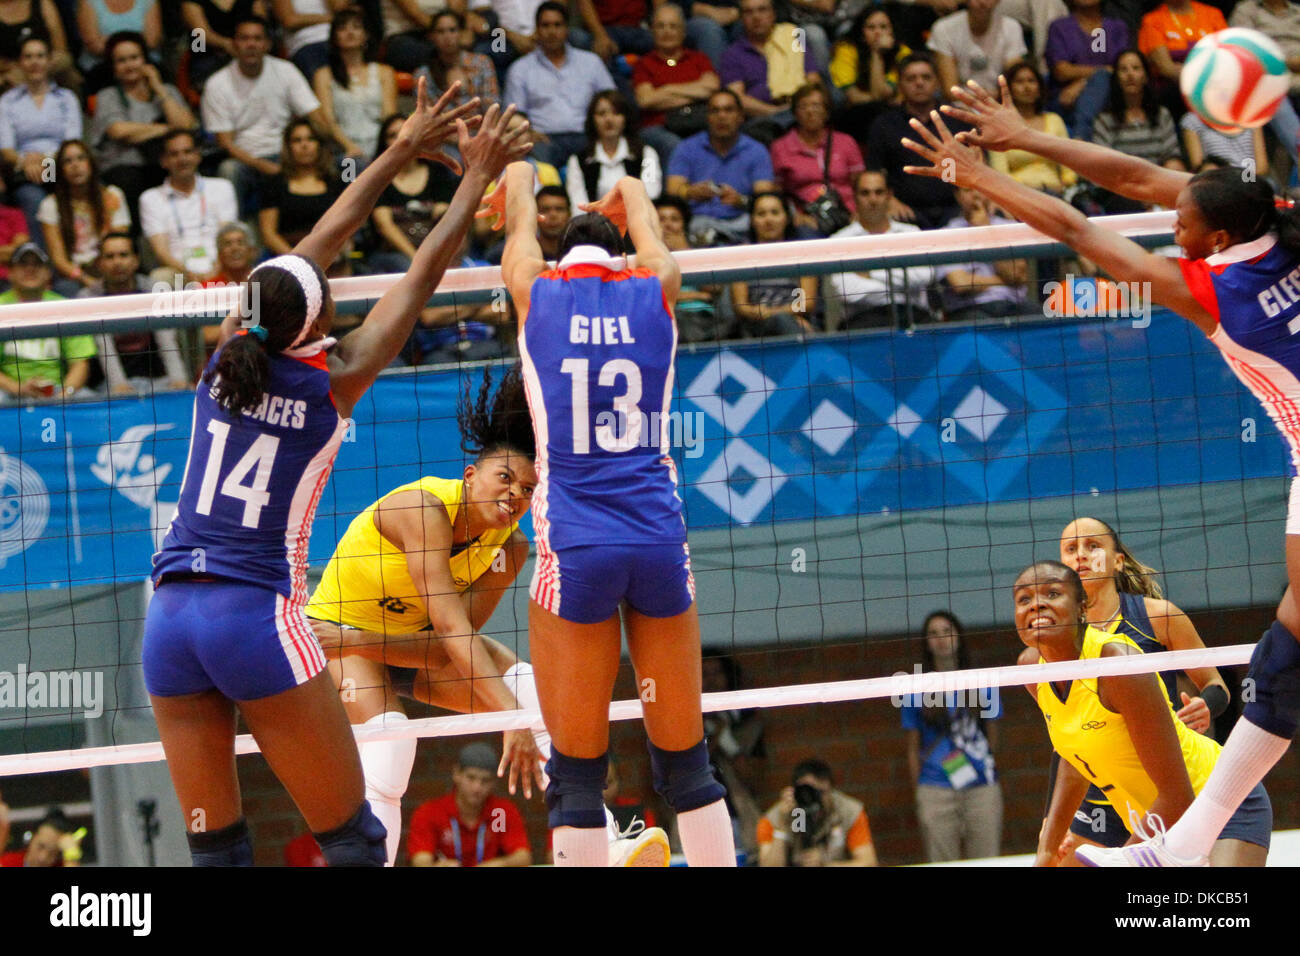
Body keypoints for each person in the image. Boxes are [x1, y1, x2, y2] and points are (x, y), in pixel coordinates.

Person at [140, 82, 528, 867]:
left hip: (169, 619)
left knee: (216, 848)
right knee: (353, 837)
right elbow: (419, 273)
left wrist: (399, 147)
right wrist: (470, 175)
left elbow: (313, 245)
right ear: (316, 323)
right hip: (253, 619)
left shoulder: (224, 352)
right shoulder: (331, 381)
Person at [916, 76, 1300, 867]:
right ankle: (1183, 841)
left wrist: (978, 175)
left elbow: (1083, 234)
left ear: (1217, 239)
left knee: (1288, 650)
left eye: (1183, 223)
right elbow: (1132, 178)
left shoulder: (1221, 291)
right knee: (1288, 644)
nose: (1172, 223)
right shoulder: (1275, 218)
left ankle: (1182, 842)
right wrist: (1024, 137)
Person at [481, 163, 738, 867]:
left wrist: (519, 177)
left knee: (577, 774)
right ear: (620, 253)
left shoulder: (537, 291)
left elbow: (517, 233)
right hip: (658, 536)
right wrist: (627, 189)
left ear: (563, 257)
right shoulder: (656, 286)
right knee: (687, 766)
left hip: (579, 545)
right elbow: (650, 229)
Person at [1008, 562, 1270, 866]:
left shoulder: (1118, 663)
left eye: (1052, 593)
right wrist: (1047, 849)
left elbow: (1177, 794)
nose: (1036, 604)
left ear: (1082, 607)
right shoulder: (1031, 669)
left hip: (1220, 799)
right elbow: (1075, 755)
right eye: (1024, 599)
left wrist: (1126, 858)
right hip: (1159, 821)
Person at [1047, 516, 1230, 864]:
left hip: (1164, 787)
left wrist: (1206, 705)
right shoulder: (1058, 639)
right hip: (1101, 796)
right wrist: (1050, 821)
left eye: (1093, 546)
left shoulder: (1158, 616)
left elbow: (1215, 683)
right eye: (1071, 549)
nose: (1081, 555)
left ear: (1118, 560)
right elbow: (1063, 739)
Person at [201, 16, 327, 217]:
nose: (251, 44)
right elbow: (225, 143)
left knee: (340, 163)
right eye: (244, 39)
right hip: (245, 159)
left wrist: (342, 144)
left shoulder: (286, 70)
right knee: (228, 170)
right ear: (234, 44)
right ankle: (236, 232)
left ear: (268, 44)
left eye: (257, 39)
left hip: (287, 153)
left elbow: (314, 115)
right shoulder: (217, 83)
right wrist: (263, 165)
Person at [902, 611, 1002, 862]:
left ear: (959, 636)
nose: (941, 638)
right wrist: (920, 791)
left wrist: (984, 766)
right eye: (933, 633)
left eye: (947, 631)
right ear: (926, 642)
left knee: (986, 860)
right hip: (935, 786)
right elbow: (913, 746)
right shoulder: (915, 687)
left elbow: (993, 735)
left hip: (981, 786)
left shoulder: (982, 681)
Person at [89, 31, 197, 228]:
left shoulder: (167, 91)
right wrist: (167, 128)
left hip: (165, 165)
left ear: (145, 61)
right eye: (121, 60)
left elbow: (186, 127)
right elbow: (119, 131)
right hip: (123, 168)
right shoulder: (109, 95)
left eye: (134, 58)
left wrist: (158, 87)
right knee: (129, 180)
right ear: (113, 67)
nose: (130, 65)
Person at [502, 1, 616, 169]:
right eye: (545, 25)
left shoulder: (591, 63)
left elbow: (612, 101)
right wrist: (530, 133)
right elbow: (515, 115)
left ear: (567, 29)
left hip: (586, 136)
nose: (552, 31)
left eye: (558, 25)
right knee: (534, 158)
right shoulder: (520, 69)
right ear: (537, 29)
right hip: (544, 140)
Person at [78, 231, 189, 394]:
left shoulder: (154, 290)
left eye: (124, 255)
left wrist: (179, 380)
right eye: (110, 257)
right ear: (100, 263)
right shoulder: (88, 297)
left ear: (136, 260)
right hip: (107, 385)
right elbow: (103, 346)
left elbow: (167, 341)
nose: (117, 262)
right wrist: (119, 386)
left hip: (156, 379)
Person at [866, 54, 966, 229]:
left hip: (956, 209)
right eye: (911, 78)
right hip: (904, 214)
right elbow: (874, 172)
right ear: (900, 85)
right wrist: (890, 202)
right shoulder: (884, 125)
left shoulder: (956, 120)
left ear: (936, 81)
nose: (919, 83)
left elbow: (977, 165)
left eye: (926, 77)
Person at [664, 88, 775, 245]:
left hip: (742, 223)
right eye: (715, 111)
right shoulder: (686, 148)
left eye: (728, 110)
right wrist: (690, 192)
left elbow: (765, 196)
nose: (721, 116)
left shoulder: (756, 150)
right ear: (707, 117)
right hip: (696, 223)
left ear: (740, 116)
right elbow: (672, 190)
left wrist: (740, 200)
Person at [0, 35, 82, 243]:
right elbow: (6, 148)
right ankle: (45, 265)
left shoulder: (66, 98)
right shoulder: (7, 101)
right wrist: (26, 162)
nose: (34, 62)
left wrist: (45, 162)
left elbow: (72, 141)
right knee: (33, 199)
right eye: (28, 57)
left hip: (62, 166)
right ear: (20, 63)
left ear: (49, 61)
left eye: (40, 56)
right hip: (22, 170)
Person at [830, 169, 935, 329]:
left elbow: (924, 276)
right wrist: (901, 283)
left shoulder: (911, 233)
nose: (873, 199)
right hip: (862, 320)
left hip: (913, 315)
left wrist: (870, 273)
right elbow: (848, 290)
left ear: (889, 195)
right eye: (865, 193)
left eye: (879, 192)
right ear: (855, 197)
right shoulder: (839, 240)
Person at [139, 129, 239, 287]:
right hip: (178, 270)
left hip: (220, 265)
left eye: (188, 152)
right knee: (158, 278)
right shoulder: (151, 198)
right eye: (174, 154)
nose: (182, 159)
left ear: (198, 155)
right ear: (164, 161)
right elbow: (161, 251)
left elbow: (228, 237)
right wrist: (187, 272)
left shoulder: (222, 187)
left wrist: (215, 270)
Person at [407, 742, 532, 866]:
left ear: (494, 783)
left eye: (485, 780)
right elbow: (420, 861)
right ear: (457, 774)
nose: (477, 787)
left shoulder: (501, 812)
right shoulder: (430, 812)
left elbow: (523, 858)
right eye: (471, 778)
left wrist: (496, 864)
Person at [0, 242, 96, 402]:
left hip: (59, 389)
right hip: (9, 391)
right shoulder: (1, 307)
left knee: (91, 399)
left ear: (48, 273)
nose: (30, 269)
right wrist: (19, 389)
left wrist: (66, 393)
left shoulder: (65, 307)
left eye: (37, 264)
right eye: (23, 264)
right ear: (10, 273)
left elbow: (80, 363)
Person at [367, 112, 458, 275]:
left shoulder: (438, 171)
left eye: (405, 131)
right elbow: (385, 227)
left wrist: (432, 257)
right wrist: (416, 258)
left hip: (435, 249)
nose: (401, 138)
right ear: (384, 143)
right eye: (392, 135)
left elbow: (444, 218)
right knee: (413, 270)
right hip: (394, 253)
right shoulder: (378, 178)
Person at [38, 139, 132, 296]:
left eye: (81, 158)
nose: (75, 165)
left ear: (91, 164)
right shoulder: (50, 205)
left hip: (108, 267)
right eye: (68, 161)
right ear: (60, 170)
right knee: (67, 289)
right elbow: (59, 260)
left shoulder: (113, 195)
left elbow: (119, 243)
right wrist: (87, 280)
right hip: (74, 275)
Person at [718, 0, 821, 142]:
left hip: (800, 109)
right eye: (749, 12)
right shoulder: (733, 54)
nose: (756, 17)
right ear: (741, 19)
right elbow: (737, 99)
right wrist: (775, 112)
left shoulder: (794, 37)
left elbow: (813, 79)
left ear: (773, 14)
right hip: (762, 120)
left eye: (762, 10)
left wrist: (800, 108)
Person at [770, 82, 864, 234]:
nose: (809, 111)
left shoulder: (846, 142)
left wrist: (860, 212)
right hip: (807, 219)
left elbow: (861, 184)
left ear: (826, 112)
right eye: (803, 106)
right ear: (795, 112)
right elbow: (779, 193)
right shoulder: (781, 147)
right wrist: (795, 215)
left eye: (816, 105)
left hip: (847, 214)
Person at [631, 2, 719, 166]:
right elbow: (646, 101)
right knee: (674, 145)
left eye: (673, 26)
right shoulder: (644, 64)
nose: (667, 31)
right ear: (652, 31)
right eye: (661, 26)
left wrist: (665, 90)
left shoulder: (698, 59)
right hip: (659, 127)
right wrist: (694, 91)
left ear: (683, 31)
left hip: (697, 121)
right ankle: (675, 191)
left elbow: (712, 89)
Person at [313, 7, 397, 163]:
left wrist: (385, 150)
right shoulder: (323, 75)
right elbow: (328, 122)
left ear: (366, 35)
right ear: (334, 37)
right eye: (342, 28)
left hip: (381, 149)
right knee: (351, 175)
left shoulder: (384, 72)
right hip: (344, 152)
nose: (350, 32)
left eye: (356, 27)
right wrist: (350, 147)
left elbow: (389, 117)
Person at [756, 759, 877, 866]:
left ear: (832, 791)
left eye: (821, 792)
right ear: (795, 791)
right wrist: (781, 827)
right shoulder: (774, 818)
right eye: (809, 792)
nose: (815, 800)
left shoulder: (848, 811)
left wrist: (825, 865)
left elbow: (869, 862)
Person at [729, 191, 817, 336]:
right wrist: (765, 314)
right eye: (761, 214)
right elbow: (741, 306)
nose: (768, 220)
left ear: (787, 218)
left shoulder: (802, 254)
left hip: (795, 322)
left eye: (775, 213)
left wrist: (775, 314)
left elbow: (807, 303)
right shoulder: (741, 255)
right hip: (755, 325)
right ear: (752, 220)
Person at [986, 61, 1075, 196]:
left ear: (1039, 88)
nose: (1027, 87)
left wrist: (1065, 185)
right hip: (1017, 194)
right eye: (1019, 82)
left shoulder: (1054, 120)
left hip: (1057, 193)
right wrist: (1027, 189)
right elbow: (1000, 173)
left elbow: (1069, 164)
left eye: (1031, 81)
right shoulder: (999, 126)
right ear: (1008, 89)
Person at [565, 90, 662, 211]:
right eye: (601, 114)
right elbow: (578, 206)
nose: (609, 119)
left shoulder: (647, 154)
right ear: (592, 119)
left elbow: (652, 193)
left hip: (636, 222)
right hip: (594, 225)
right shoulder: (578, 160)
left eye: (616, 113)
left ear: (626, 118)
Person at [259, 119, 343, 259]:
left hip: (332, 257)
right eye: (297, 140)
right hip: (287, 258)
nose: (304, 145)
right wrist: (297, 260)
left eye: (311, 139)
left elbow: (344, 226)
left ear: (320, 145)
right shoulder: (274, 183)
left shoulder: (336, 182)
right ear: (288, 147)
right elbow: (268, 235)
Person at [1044, 0, 1128, 138]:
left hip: (1111, 98)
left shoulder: (1117, 27)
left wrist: (1082, 83)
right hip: (1067, 101)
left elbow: (1122, 68)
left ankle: (1080, 138)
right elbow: (1061, 71)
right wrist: (1101, 72)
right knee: (1101, 76)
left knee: (1102, 78)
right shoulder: (1059, 27)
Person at [830, 7, 912, 145]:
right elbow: (854, 96)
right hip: (857, 114)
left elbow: (887, 94)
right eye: (871, 27)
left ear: (892, 31)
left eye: (883, 27)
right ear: (862, 32)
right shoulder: (846, 50)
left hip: (893, 112)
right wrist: (877, 53)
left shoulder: (902, 52)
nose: (878, 32)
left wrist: (882, 98)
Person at [927, 0, 1025, 96]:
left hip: (1000, 102)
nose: (982, 2)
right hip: (958, 104)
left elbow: (1015, 81)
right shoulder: (943, 28)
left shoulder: (1012, 27)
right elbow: (950, 90)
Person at [414, 9, 499, 114]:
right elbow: (427, 117)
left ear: (462, 33)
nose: (447, 37)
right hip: (445, 129)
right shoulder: (423, 75)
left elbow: (492, 108)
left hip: (480, 127)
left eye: (452, 30)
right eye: (440, 31)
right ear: (432, 37)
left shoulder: (482, 63)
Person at [75, 0, 161, 92]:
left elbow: (151, 41)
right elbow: (94, 45)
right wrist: (133, 41)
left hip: (143, 62)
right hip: (100, 68)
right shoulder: (88, 2)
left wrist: (109, 40)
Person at [269, 0, 340, 80]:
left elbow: (341, 10)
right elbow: (289, 21)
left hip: (337, 38)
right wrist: (329, 18)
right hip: (306, 43)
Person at [0, 809, 84, 866]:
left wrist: (71, 854)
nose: (43, 857)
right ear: (32, 839)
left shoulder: (60, 865)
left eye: (52, 853)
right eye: (40, 847)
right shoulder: (7, 862)